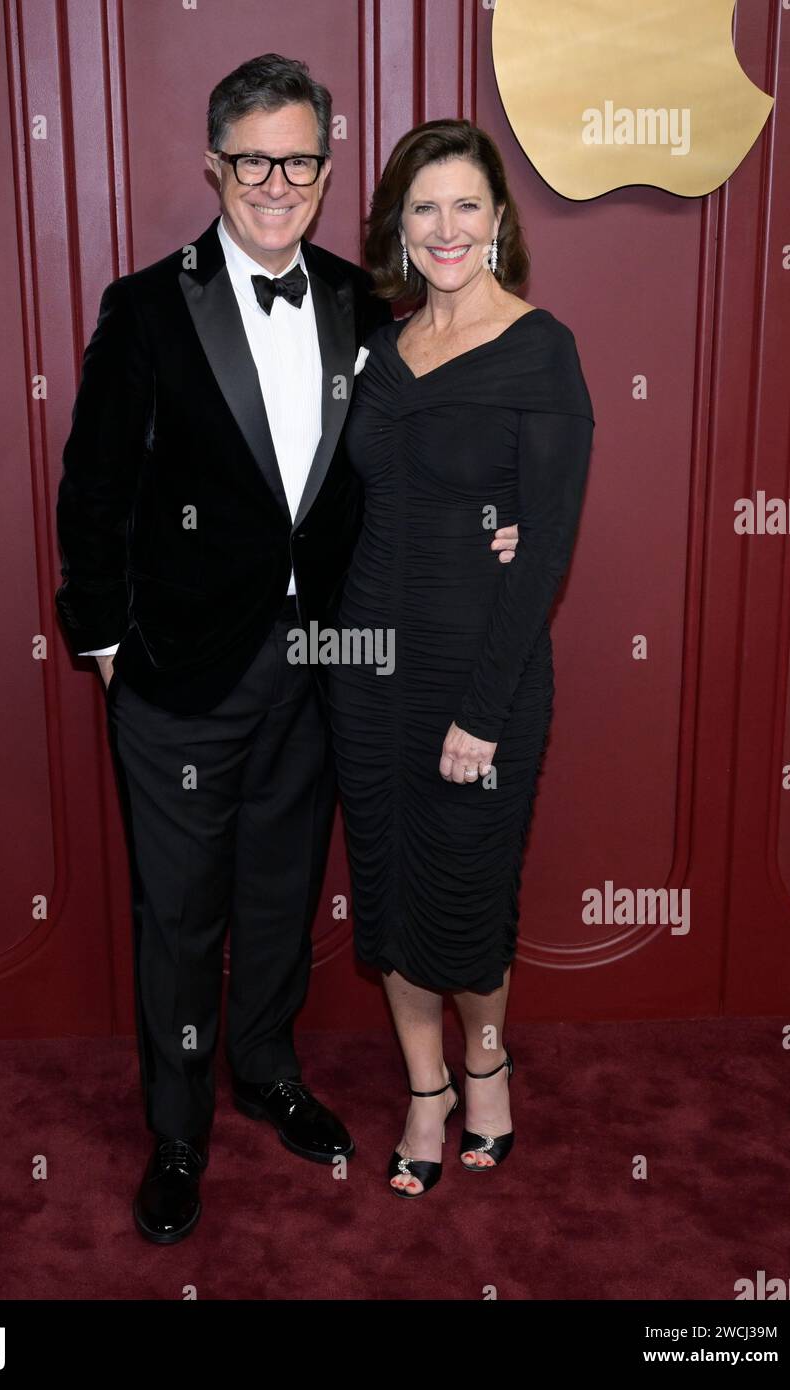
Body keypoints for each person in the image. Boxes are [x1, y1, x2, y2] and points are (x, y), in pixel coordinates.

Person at [55, 56, 525, 1242]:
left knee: (276, 895)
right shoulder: (146, 305)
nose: (276, 181)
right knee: (179, 916)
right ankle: (175, 1132)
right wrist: (105, 641)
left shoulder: (362, 302)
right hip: (178, 678)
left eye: (300, 159)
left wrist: (498, 518)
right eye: (253, 158)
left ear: (325, 169)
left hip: (323, 668)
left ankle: (262, 1071)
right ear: (215, 164)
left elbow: (418, 461)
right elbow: (93, 488)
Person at [328, 119, 595, 1197]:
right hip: (367, 672)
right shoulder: (377, 350)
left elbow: (545, 555)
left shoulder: (541, 350)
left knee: (465, 895)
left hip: (479, 675)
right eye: (422, 207)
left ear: (497, 221)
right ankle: (424, 1087)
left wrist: (481, 710)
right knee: (387, 891)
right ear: (399, 223)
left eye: (464, 205)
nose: (444, 227)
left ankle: (485, 1066)